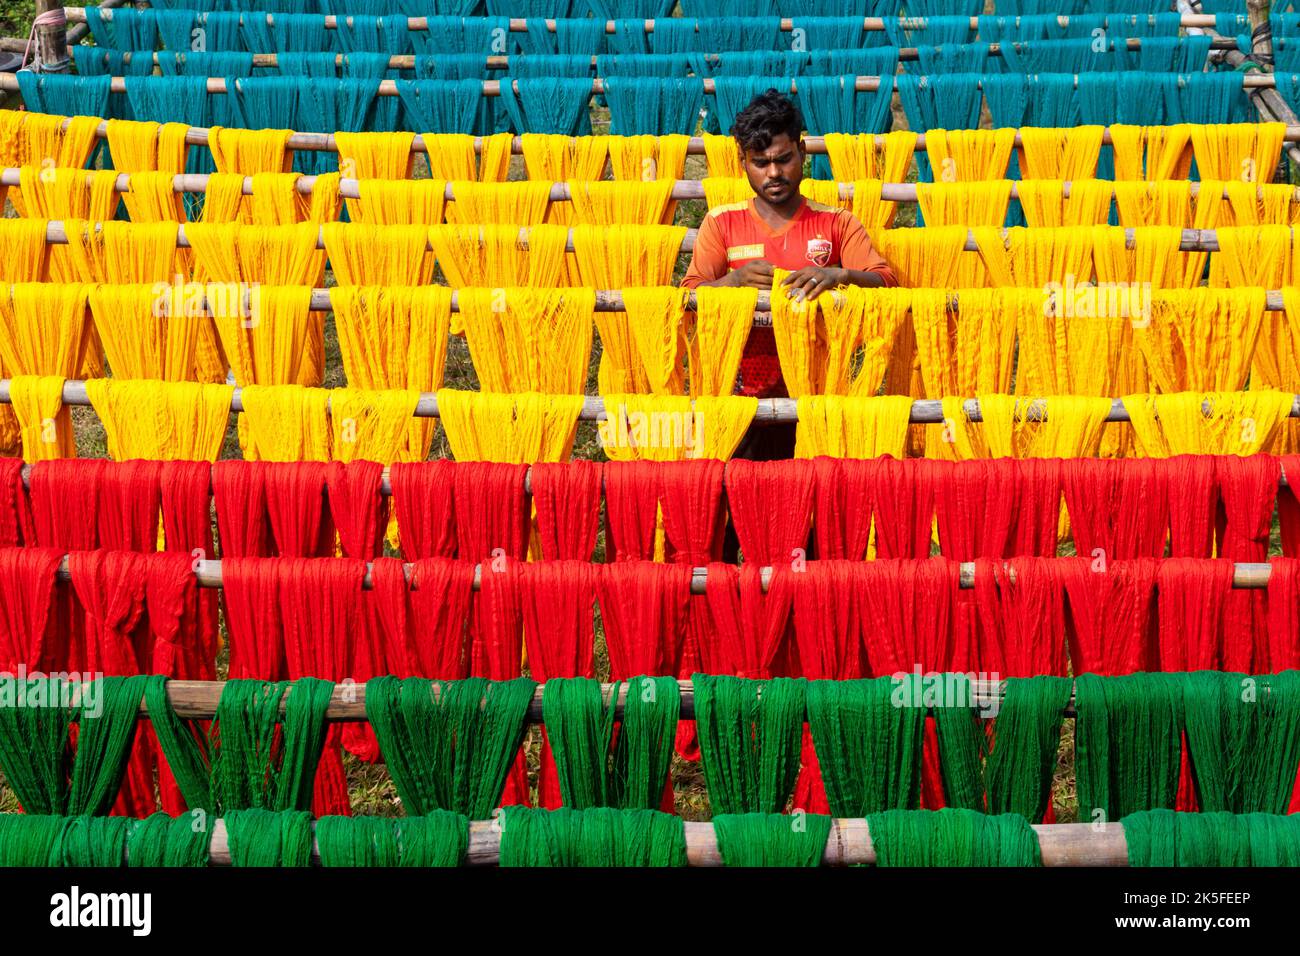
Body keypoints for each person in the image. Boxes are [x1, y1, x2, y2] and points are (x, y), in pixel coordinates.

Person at [680, 88, 897, 453]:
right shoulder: (721, 224)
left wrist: (840, 276)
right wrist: (733, 282)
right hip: (740, 400)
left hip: (819, 399)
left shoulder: (837, 224)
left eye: (783, 159)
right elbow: (690, 296)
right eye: (760, 163)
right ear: (742, 162)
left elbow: (887, 283)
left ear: (803, 152)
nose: (774, 173)